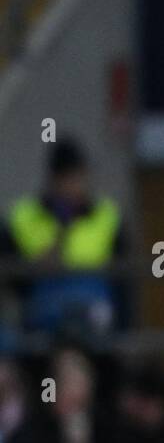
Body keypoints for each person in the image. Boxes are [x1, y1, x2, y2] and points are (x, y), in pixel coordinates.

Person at [0, 139, 125, 338]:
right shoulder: (23, 216)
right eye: (69, 179)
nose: (76, 187)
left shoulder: (107, 215)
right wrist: (38, 267)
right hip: (43, 316)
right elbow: (13, 282)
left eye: (80, 178)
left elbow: (124, 283)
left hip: (95, 316)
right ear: (54, 180)